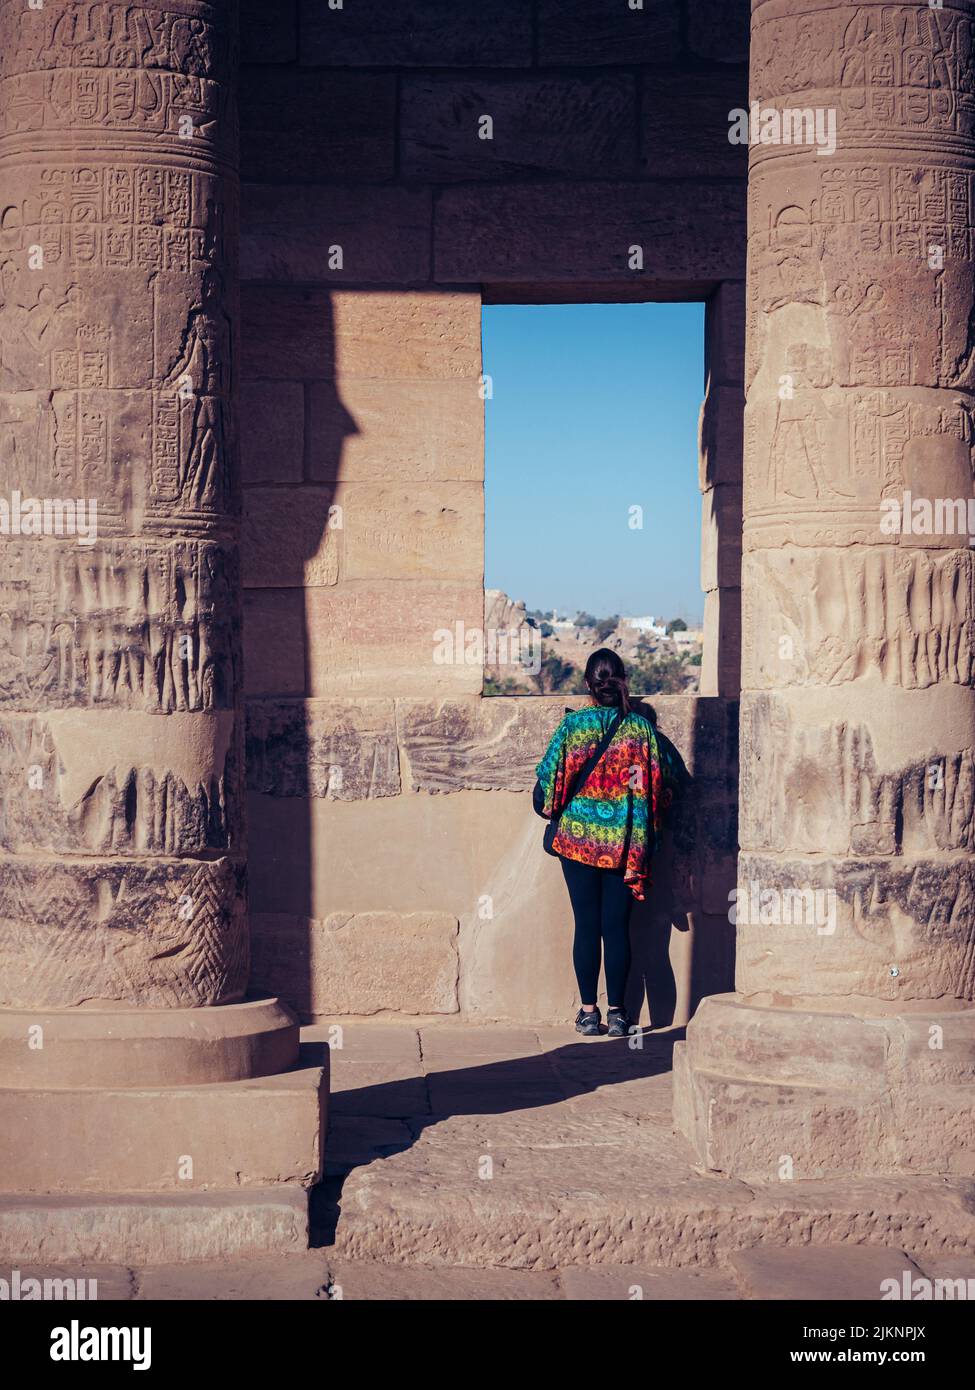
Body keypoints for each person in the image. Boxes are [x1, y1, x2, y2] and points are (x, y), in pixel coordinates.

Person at [534, 648, 676, 1038]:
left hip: (577, 843)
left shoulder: (573, 728)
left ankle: (587, 1013)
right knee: (617, 928)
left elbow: (547, 790)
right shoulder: (640, 732)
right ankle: (618, 1013)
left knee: (586, 925)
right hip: (623, 845)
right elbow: (658, 791)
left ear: (588, 686)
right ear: (624, 680)